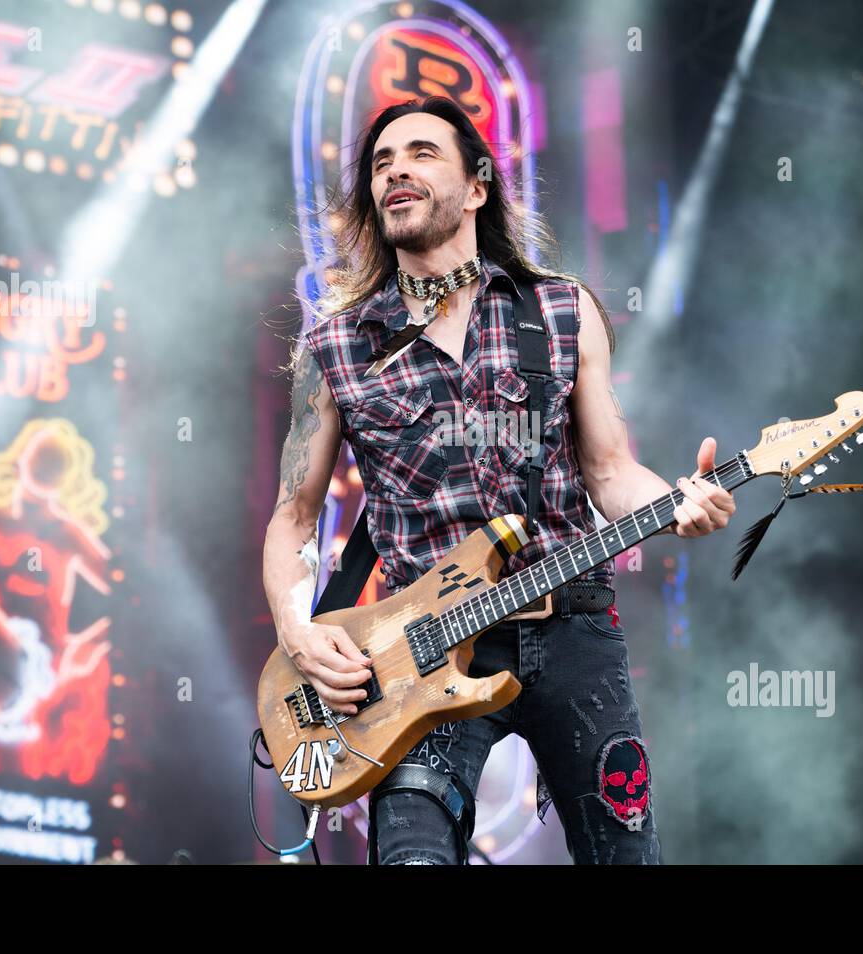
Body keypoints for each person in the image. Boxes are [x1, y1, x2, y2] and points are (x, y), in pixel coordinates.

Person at [262, 95, 735, 864]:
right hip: (423, 649)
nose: (395, 173)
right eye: (381, 163)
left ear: (478, 186)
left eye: (420, 154)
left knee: (625, 854)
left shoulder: (560, 310)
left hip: (572, 625)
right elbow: (293, 517)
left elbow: (610, 472)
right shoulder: (336, 347)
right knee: (411, 854)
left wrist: (675, 502)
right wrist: (297, 628)